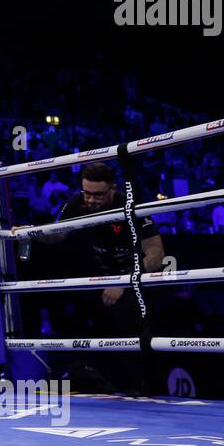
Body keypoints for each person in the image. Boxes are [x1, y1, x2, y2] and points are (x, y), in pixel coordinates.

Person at [22, 162, 165, 391]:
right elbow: (57, 235)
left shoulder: (130, 206)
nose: (91, 200)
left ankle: (142, 387)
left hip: (134, 280)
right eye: (87, 193)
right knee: (65, 304)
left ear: (113, 189)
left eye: (98, 195)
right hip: (99, 277)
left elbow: (156, 254)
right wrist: (30, 232)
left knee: (134, 321)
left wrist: (124, 282)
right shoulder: (78, 201)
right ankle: (83, 375)